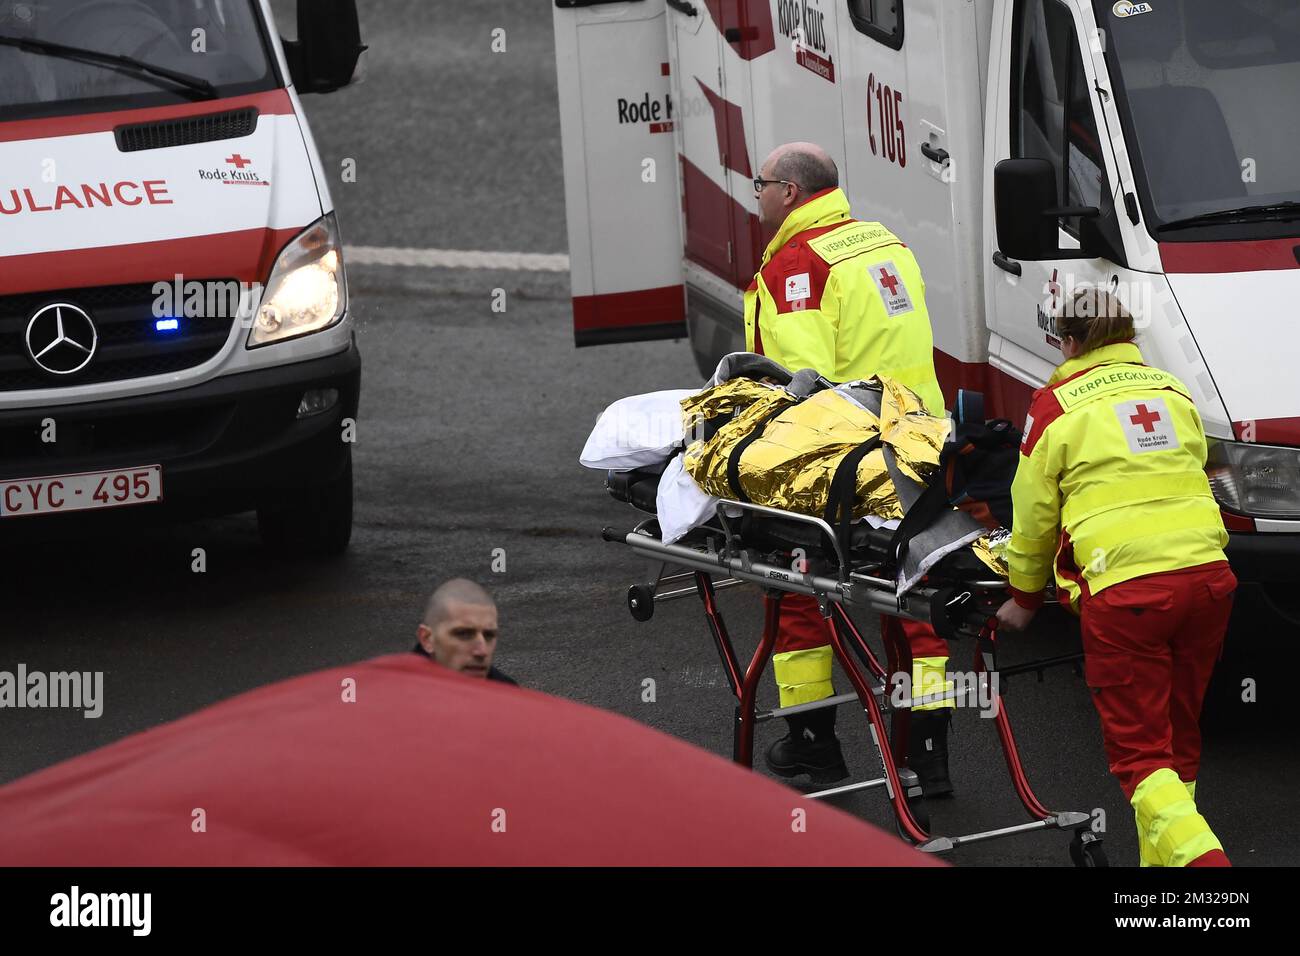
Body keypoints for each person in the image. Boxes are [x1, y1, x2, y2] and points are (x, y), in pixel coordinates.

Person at [997, 288, 1235, 867]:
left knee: (1140, 756)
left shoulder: (1055, 405)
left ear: (1070, 342)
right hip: (1208, 580)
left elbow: (1032, 517)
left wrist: (1024, 597)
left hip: (1127, 591)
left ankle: (1208, 874)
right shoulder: (1171, 390)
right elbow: (1199, 468)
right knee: (1177, 738)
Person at [747, 141, 954, 791]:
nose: (756, 195)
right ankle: (928, 757)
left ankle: (811, 743)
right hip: (919, 444)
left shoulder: (795, 265)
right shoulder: (882, 241)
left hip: (848, 461)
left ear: (789, 192)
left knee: (798, 589)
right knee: (914, 596)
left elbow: (799, 386)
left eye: (761, 184)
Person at [414, 578, 517, 684]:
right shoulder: (400, 690)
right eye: (464, 634)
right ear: (427, 639)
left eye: (489, 635)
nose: (482, 651)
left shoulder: (506, 692)